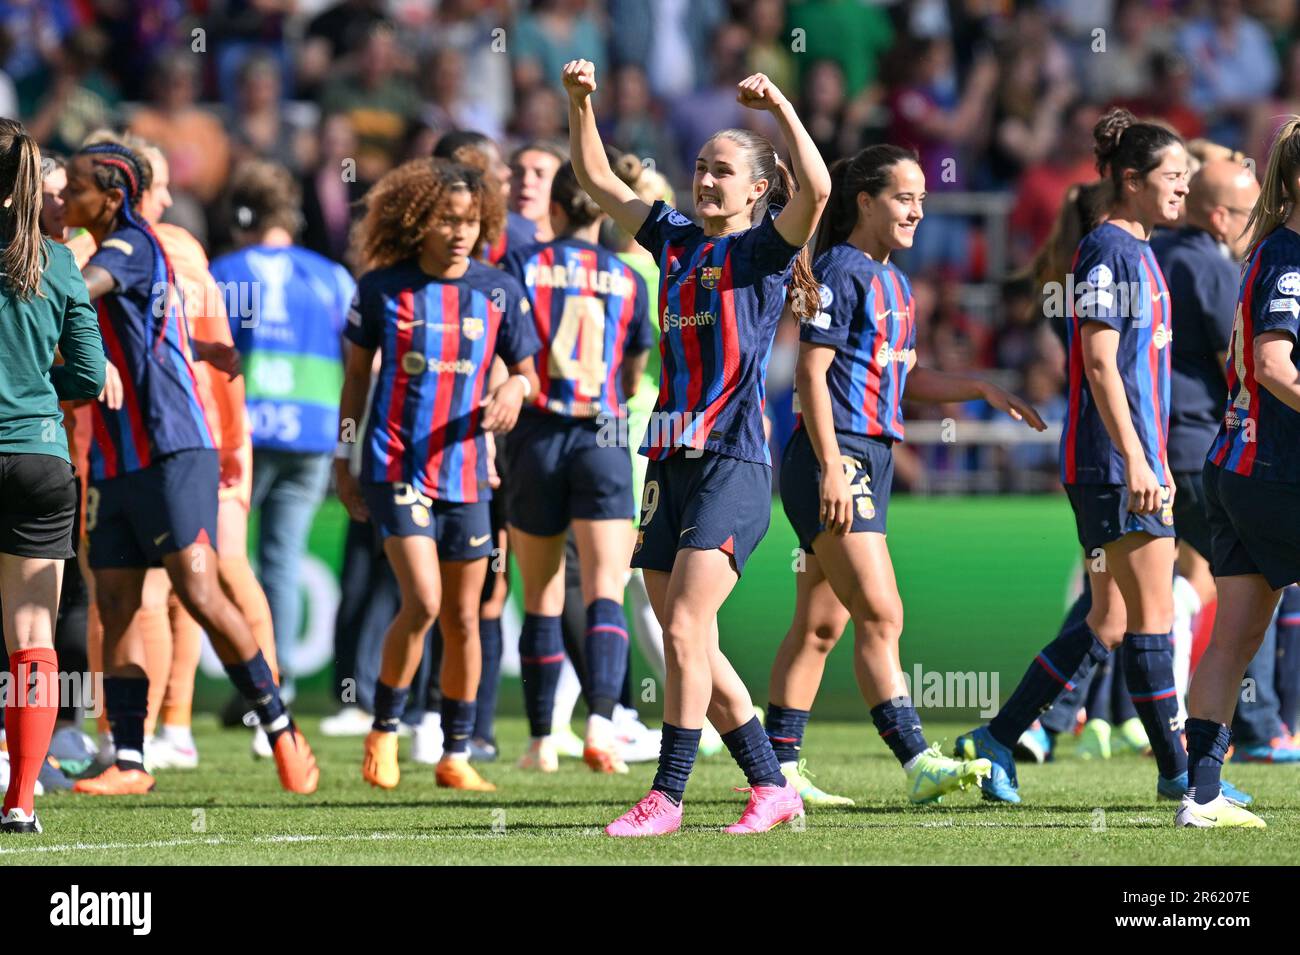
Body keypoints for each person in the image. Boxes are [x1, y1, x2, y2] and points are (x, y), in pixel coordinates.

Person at [562, 58, 832, 836]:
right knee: (692, 640)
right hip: (667, 459)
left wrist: (780, 103)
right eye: (700, 169)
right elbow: (599, 178)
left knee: (683, 629)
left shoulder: (759, 255)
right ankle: (773, 784)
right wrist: (581, 101)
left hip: (734, 461)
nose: (706, 181)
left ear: (756, 190)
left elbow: (813, 191)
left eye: (723, 172)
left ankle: (668, 796)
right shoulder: (674, 239)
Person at [955, 109, 1248, 809]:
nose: (1182, 188)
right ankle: (1180, 773)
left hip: (1119, 463)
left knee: (1110, 621)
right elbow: (1098, 360)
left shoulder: (1141, 249)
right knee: (1148, 618)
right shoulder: (1110, 251)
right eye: (1172, 177)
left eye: (1185, 177)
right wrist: (1141, 460)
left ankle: (1000, 739)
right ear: (1129, 180)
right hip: (1116, 466)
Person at [765, 145, 1046, 808]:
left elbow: (904, 377)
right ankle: (917, 758)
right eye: (902, 196)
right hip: (838, 456)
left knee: (820, 626)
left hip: (869, 455)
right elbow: (810, 374)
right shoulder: (840, 268)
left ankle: (778, 769)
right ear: (864, 201)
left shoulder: (895, 283)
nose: (917, 208)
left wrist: (978, 387)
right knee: (882, 610)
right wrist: (833, 468)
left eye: (922, 197)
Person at [62, 140, 319, 797]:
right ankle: (129, 757)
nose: (64, 198)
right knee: (115, 603)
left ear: (112, 198)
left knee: (200, 593)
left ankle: (281, 725)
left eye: (76, 190)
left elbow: (80, 291)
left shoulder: (130, 244)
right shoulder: (112, 249)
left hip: (176, 449)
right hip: (117, 460)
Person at [337, 157, 540, 793]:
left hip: (471, 478)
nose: (460, 232)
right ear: (418, 220)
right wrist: (344, 463)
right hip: (395, 466)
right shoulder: (380, 290)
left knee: (464, 615)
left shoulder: (499, 288)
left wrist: (514, 390)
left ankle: (455, 752)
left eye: (472, 221)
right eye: (447, 220)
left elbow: (531, 373)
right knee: (422, 601)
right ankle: (385, 729)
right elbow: (353, 385)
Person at [500, 154, 652, 774]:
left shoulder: (521, 264)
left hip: (537, 435)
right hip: (605, 435)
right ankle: (602, 725)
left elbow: (509, 349)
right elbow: (634, 373)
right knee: (605, 591)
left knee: (539, 595)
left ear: (554, 210)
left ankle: (541, 741)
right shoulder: (631, 277)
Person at [1179, 117, 1300, 827]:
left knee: (1236, 635)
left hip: (1233, 465)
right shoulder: (1289, 261)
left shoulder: (1274, 253)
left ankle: (1201, 793)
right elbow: (1274, 363)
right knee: (1237, 635)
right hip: (1274, 473)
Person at [210, 160, 354, 707]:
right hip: (314, 431)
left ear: (243, 214)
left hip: (240, 431)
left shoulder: (224, 271)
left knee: (225, 559)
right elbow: (357, 354)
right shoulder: (331, 276)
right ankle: (278, 682)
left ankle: (247, 677)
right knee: (281, 559)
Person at [0, 119, 105, 833]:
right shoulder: (62, 262)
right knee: (33, 631)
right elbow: (91, 376)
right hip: (40, 454)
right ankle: (21, 802)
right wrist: (38, 381)